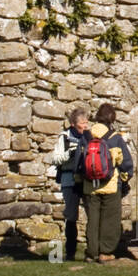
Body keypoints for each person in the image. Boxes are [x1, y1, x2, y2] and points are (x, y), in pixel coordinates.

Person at [77, 103, 134, 263]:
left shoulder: (87, 136)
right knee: (110, 219)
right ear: (112, 118)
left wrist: (81, 178)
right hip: (110, 184)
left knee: (93, 219)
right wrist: (124, 179)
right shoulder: (115, 138)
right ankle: (106, 252)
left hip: (90, 185)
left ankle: (91, 252)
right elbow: (126, 163)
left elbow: (80, 161)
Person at [50, 107, 90, 260]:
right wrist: (70, 154)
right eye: (82, 123)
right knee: (71, 216)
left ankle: (91, 250)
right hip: (69, 179)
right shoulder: (64, 137)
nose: (85, 126)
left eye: (86, 122)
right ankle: (70, 252)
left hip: (86, 178)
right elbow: (55, 159)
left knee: (91, 214)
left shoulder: (89, 136)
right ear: (73, 124)